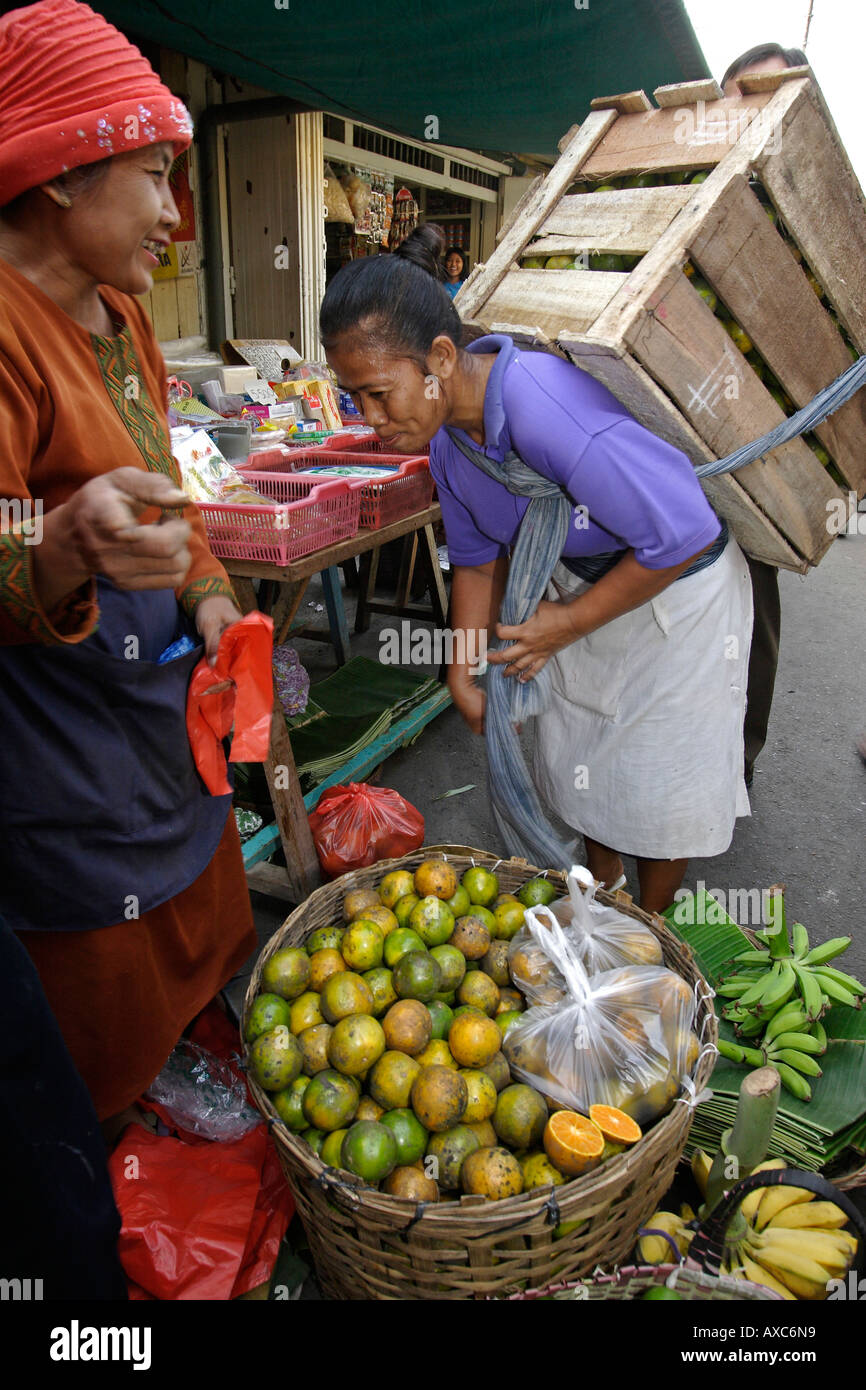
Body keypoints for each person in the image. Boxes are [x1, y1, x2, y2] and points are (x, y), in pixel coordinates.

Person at [319, 227, 753, 914]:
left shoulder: (543, 406)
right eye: (354, 398)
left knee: (657, 781)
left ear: (438, 357)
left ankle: (655, 921)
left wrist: (565, 624)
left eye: (378, 393)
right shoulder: (449, 445)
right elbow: (475, 562)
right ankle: (605, 905)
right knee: (585, 767)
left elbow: (681, 531)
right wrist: (461, 668)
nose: (371, 420)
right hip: (578, 593)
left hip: (678, 593)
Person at [0, 0, 257, 1137]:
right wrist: (56, 544)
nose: (173, 216)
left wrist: (205, 594)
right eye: (153, 177)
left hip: (151, 701)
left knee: (194, 891)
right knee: (100, 961)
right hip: (53, 737)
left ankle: (186, 1062)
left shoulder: (118, 316)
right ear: (60, 175)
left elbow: (167, 482)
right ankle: (107, 1150)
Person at [721, 43, 808, 788]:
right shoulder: (713, 193)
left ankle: (737, 759)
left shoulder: (810, 210)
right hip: (690, 437)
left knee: (753, 610)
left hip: (767, 450)